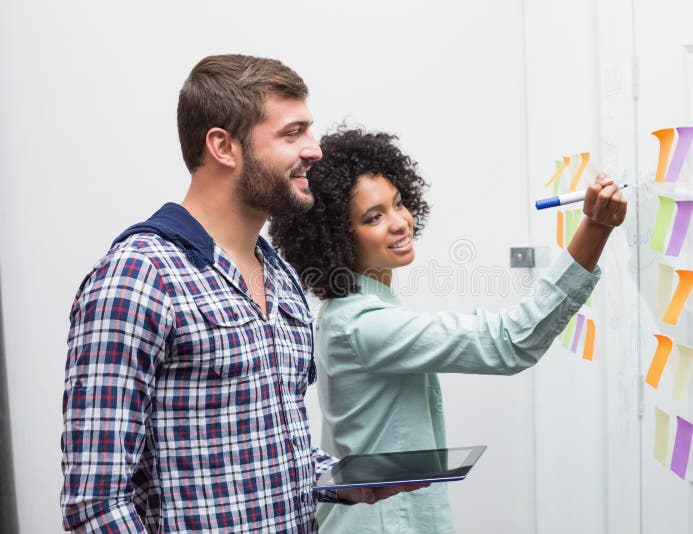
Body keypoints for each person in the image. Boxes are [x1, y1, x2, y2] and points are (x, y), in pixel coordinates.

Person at [60, 55, 423, 534]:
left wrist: (345, 478)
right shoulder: (139, 275)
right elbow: (96, 505)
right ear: (223, 147)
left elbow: (267, 457)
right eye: (292, 134)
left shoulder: (280, 278)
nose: (314, 150)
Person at [269, 127, 627, 533]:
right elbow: (511, 341)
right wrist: (595, 227)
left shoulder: (350, 313)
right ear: (336, 237)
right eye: (374, 217)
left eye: (398, 203)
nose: (400, 222)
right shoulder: (363, 325)